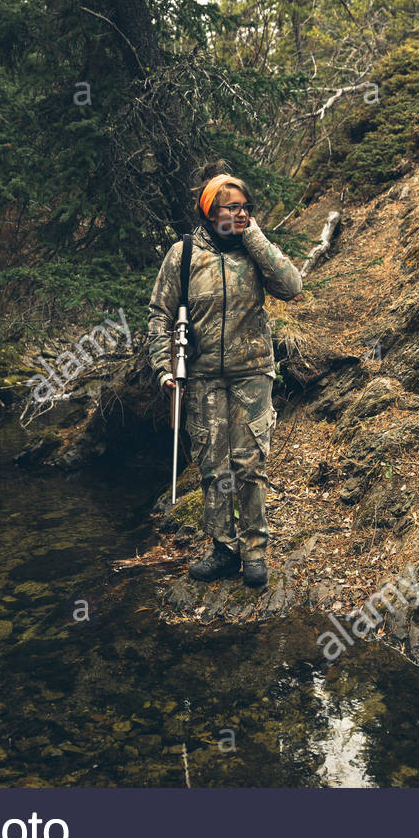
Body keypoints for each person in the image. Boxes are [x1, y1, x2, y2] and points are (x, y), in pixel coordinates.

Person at [147, 163, 302, 588]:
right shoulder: (183, 255)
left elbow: (292, 285)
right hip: (202, 379)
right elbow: (159, 315)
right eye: (228, 207)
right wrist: (165, 368)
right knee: (214, 467)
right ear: (208, 211)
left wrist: (253, 235)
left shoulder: (254, 249)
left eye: (243, 207)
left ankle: (255, 552)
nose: (236, 213)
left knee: (249, 464)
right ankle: (224, 549)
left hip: (251, 374)